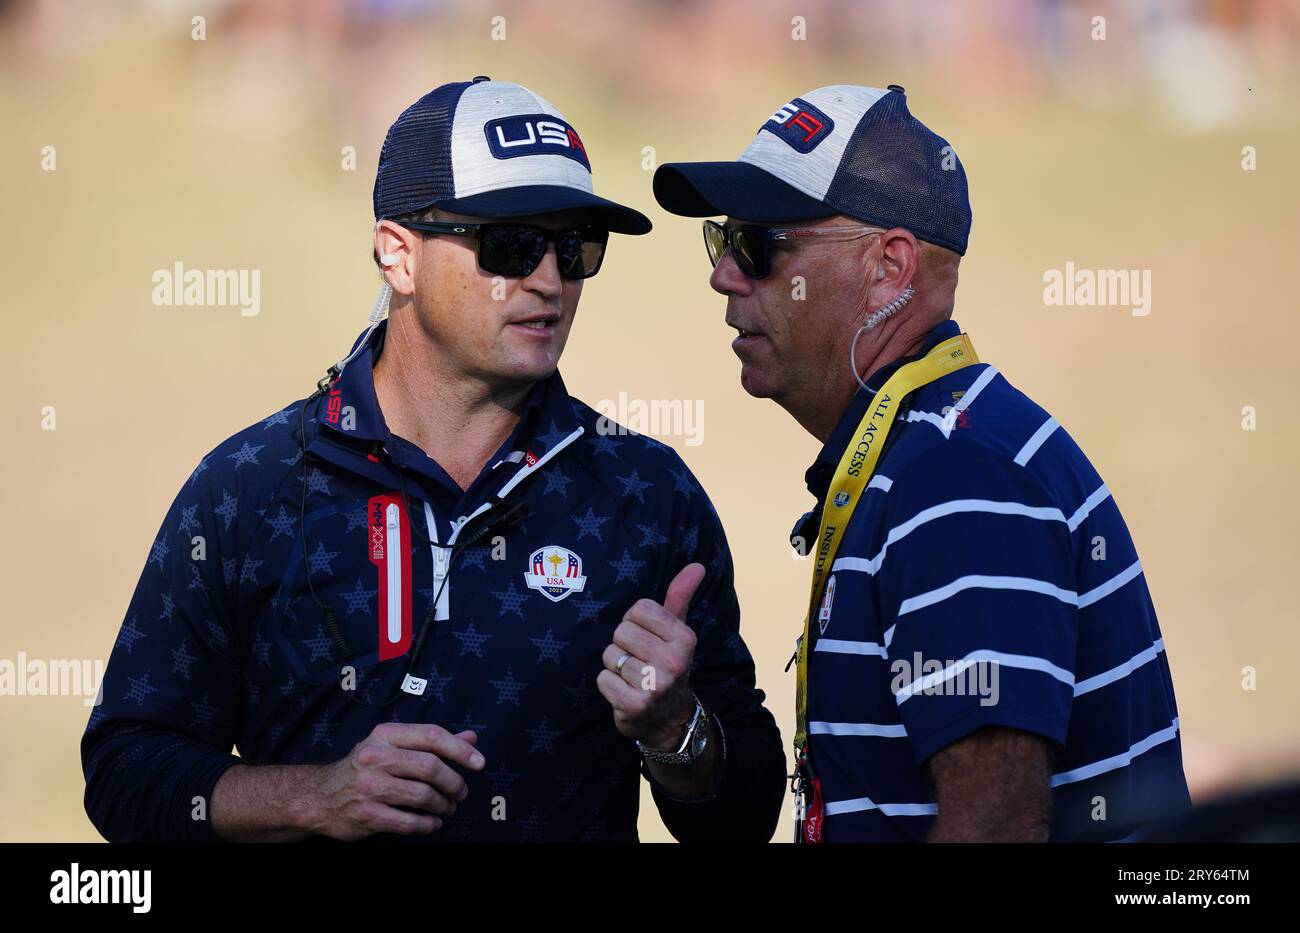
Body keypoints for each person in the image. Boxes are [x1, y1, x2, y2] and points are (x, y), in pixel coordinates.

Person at [82, 77, 785, 843]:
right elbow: (126, 773)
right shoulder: (250, 488)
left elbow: (745, 818)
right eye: (511, 244)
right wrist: (317, 797)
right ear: (398, 256)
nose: (549, 279)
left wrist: (676, 728)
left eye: (577, 248)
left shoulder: (647, 495)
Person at [652, 83, 1191, 842]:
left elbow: (998, 825)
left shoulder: (955, 478)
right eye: (723, 240)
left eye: (759, 244)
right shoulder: (941, 449)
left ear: (890, 266)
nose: (724, 274)